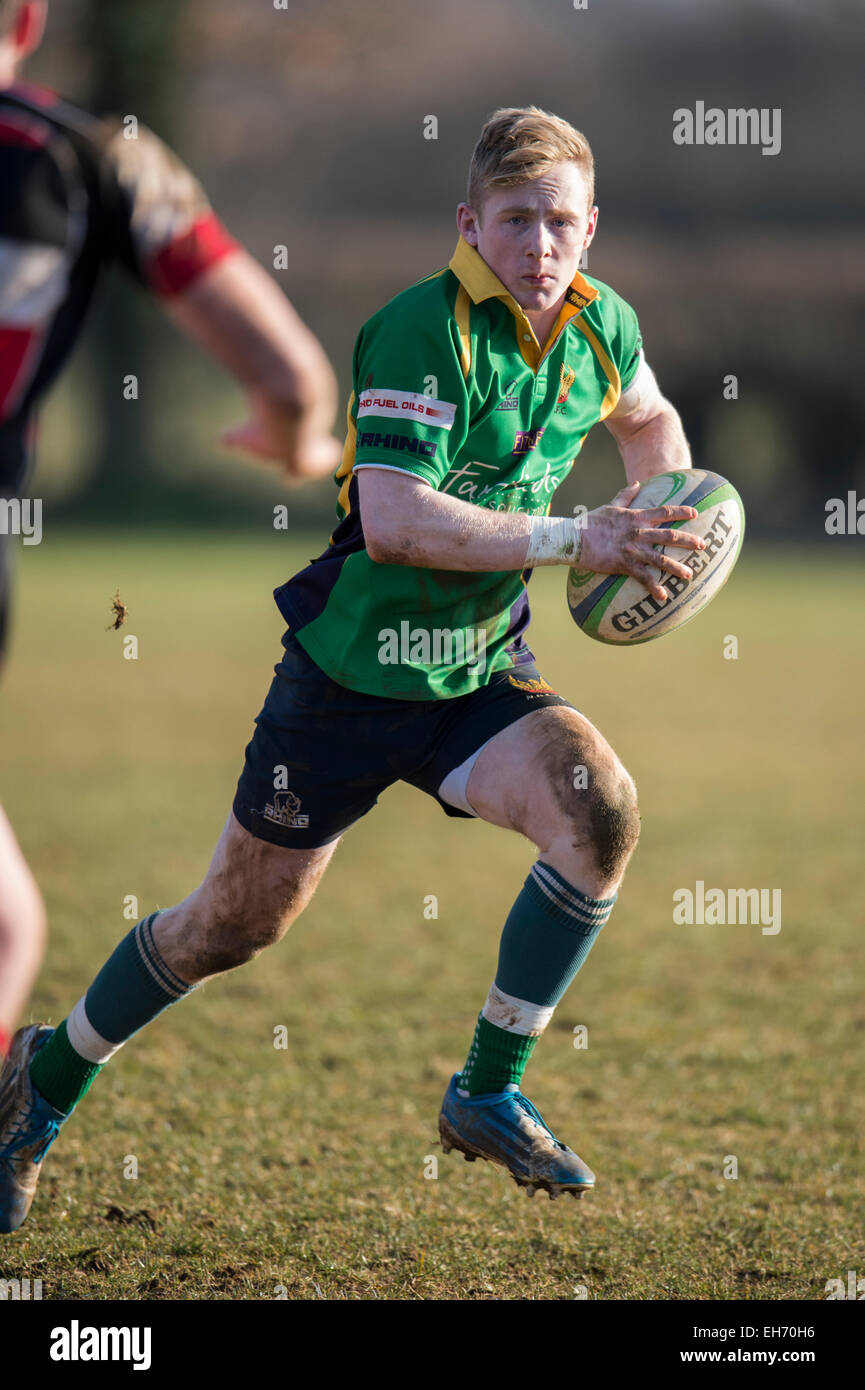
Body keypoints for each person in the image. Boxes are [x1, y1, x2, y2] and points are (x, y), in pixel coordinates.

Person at [1, 103, 707, 1232]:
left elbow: (649, 418)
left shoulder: (601, 324)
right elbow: (395, 520)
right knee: (228, 925)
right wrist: (583, 538)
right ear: (468, 224)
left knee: (599, 811)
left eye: (559, 223)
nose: (537, 245)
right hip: (345, 680)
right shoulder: (420, 331)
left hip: (476, 669)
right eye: (514, 220)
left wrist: (665, 516)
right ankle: (40, 1084)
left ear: (590, 230)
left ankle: (486, 1089)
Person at [0, 1, 340, 1076]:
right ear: (30, 19)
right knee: (4, 929)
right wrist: (296, 436)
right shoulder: (89, 160)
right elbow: (291, 376)